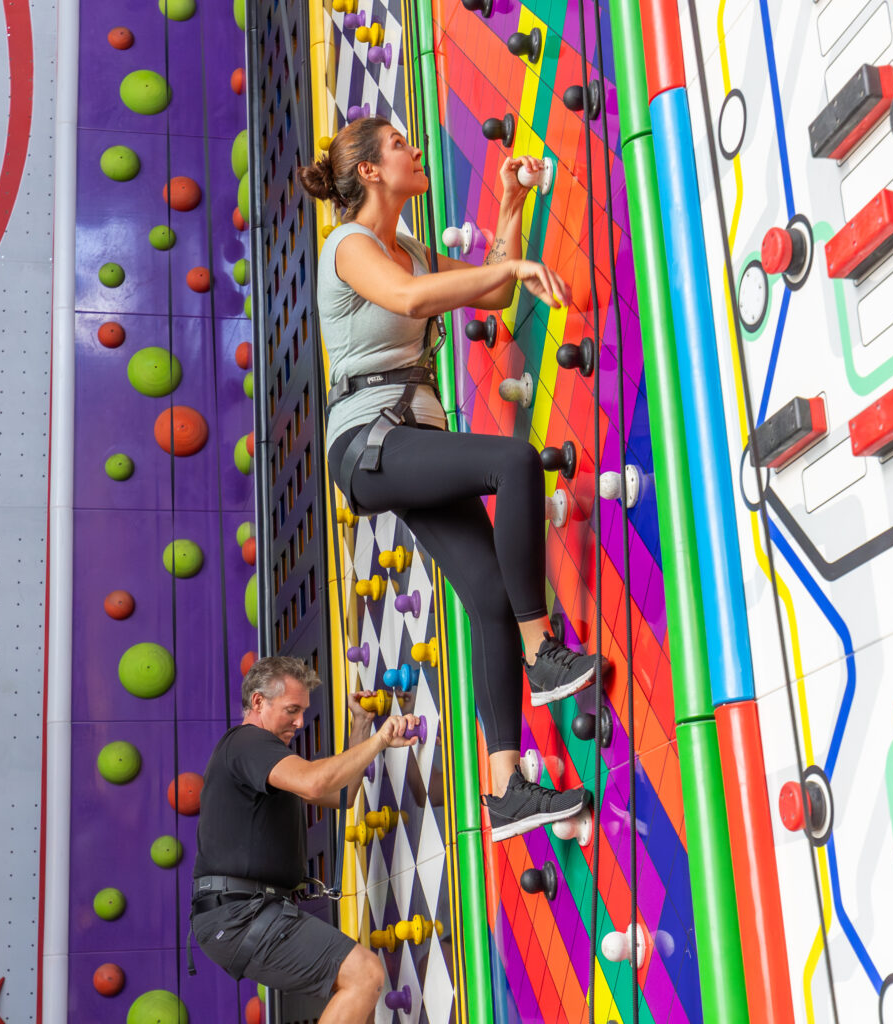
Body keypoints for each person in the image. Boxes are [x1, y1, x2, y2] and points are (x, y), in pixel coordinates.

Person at [297, 116, 598, 841]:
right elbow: (408, 301)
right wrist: (511, 269)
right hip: (372, 445)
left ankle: (505, 792)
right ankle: (541, 651)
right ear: (370, 172)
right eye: (402, 145)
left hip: (405, 441)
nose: (418, 150)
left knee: (489, 594)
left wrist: (510, 205)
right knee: (514, 460)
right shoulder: (350, 247)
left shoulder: (406, 249)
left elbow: (490, 294)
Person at [190, 656, 418, 1023]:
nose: (299, 722)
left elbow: (338, 796)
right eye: (291, 710)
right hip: (239, 915)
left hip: (241, 915)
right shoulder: (249, 742)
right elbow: (314, 782)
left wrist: (361, 726)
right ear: (258, 703)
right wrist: (380, 740)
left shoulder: (258, 753)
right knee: (366, 975)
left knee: (358, 992)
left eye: (302, 711)